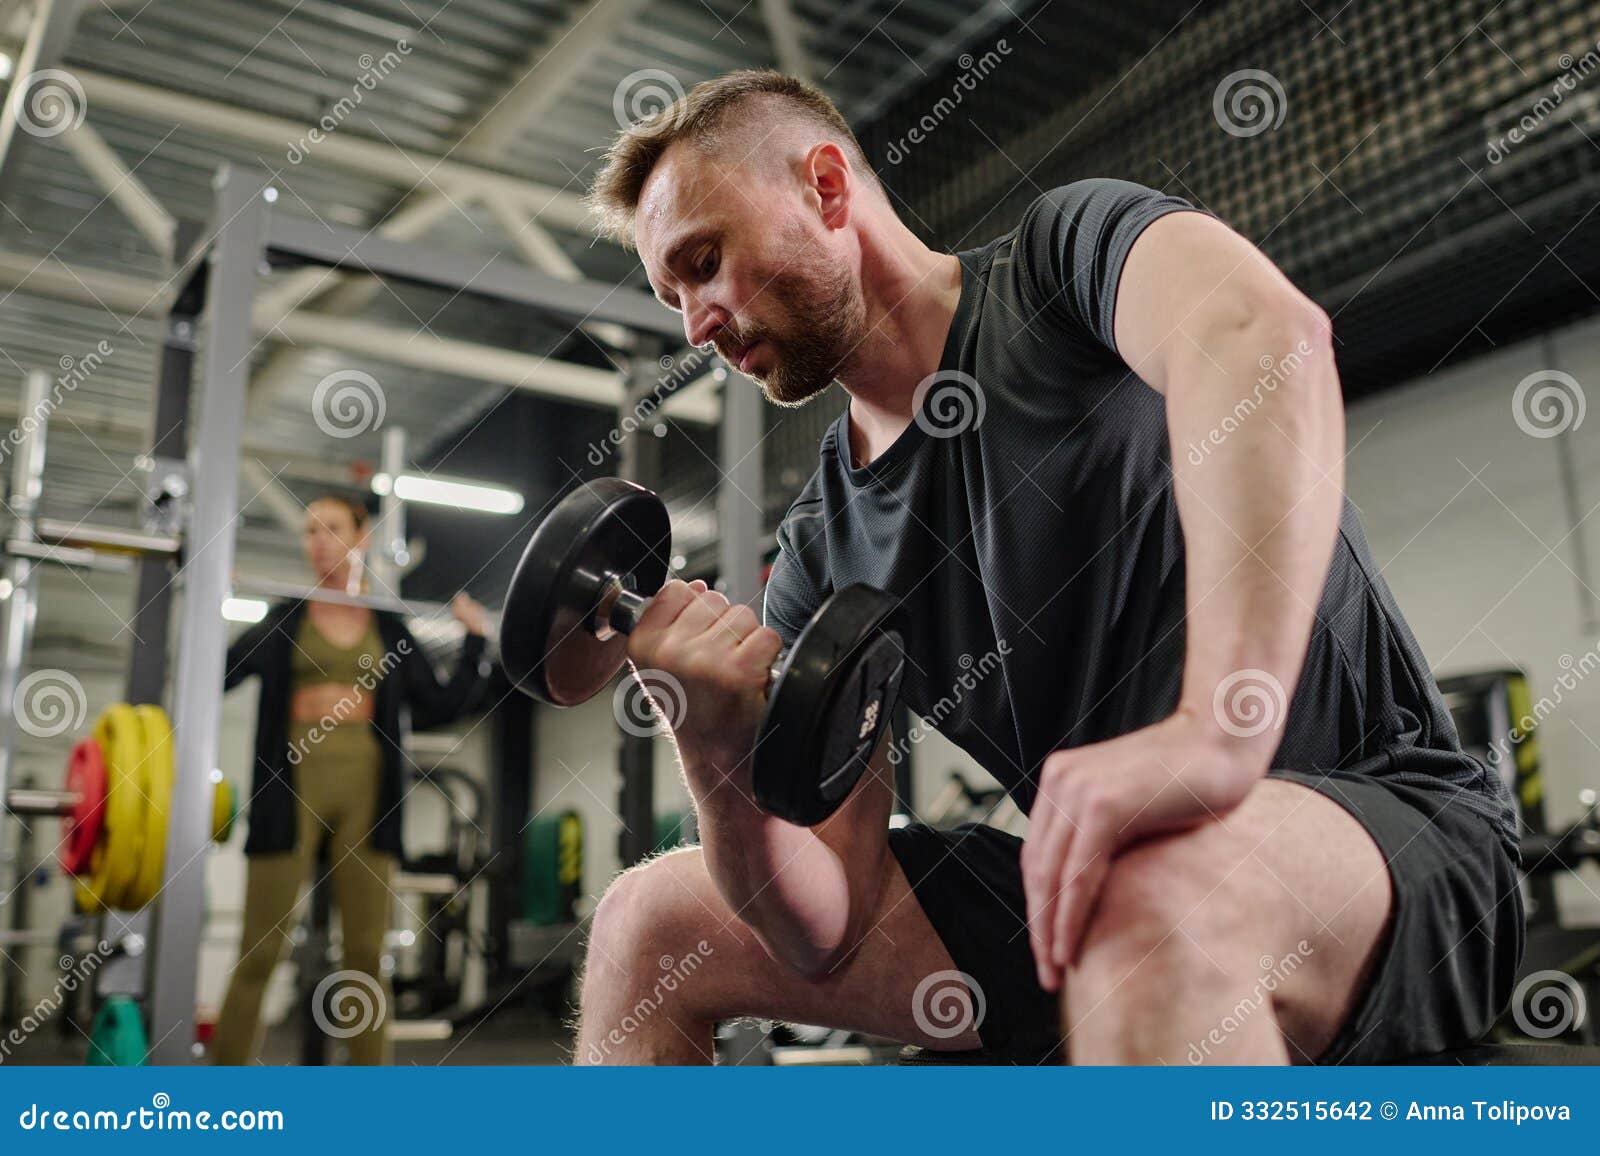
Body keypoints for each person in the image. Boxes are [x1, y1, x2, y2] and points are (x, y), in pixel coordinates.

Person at [572, 71, 1523, 1065]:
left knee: (1152, 892)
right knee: (648, 921)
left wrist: (1214, 729)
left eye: (704, 260)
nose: (695, 323)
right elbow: (826, 925)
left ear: (824, 186)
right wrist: (717, 753)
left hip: (1383, 851)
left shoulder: (1061, 263)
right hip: (1091, 893)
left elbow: (1262, 337)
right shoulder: (821, 543)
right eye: (672, 295)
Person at [212, 494, 491, 1065]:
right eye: (310, 531)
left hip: (368, 791)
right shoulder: (287, 614)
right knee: (261, 950)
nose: (318, 541)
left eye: (332, 528)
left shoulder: (388, 624)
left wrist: (475, 642)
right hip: (289, 790)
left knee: (365, 952)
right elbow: (219, 674)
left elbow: (439, 703)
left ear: (361, 538)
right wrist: (211, 596)